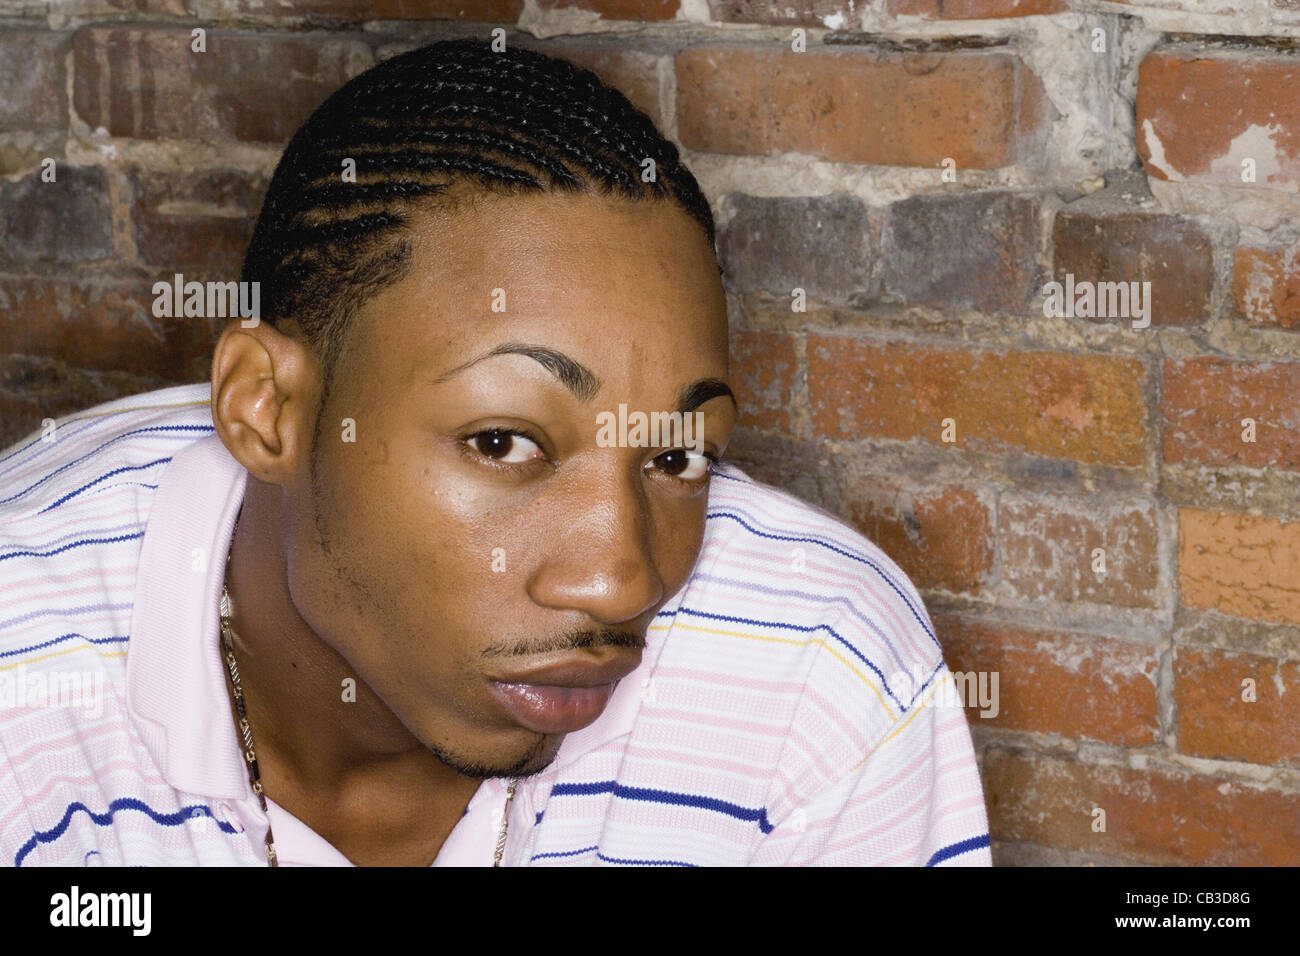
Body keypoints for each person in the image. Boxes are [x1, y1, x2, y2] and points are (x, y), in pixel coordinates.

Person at [0, 37, 991, 866]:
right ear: (266, 410)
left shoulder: (816, 668)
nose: (617, 578)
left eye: (679, 455)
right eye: (504, 440)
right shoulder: (24, 664)